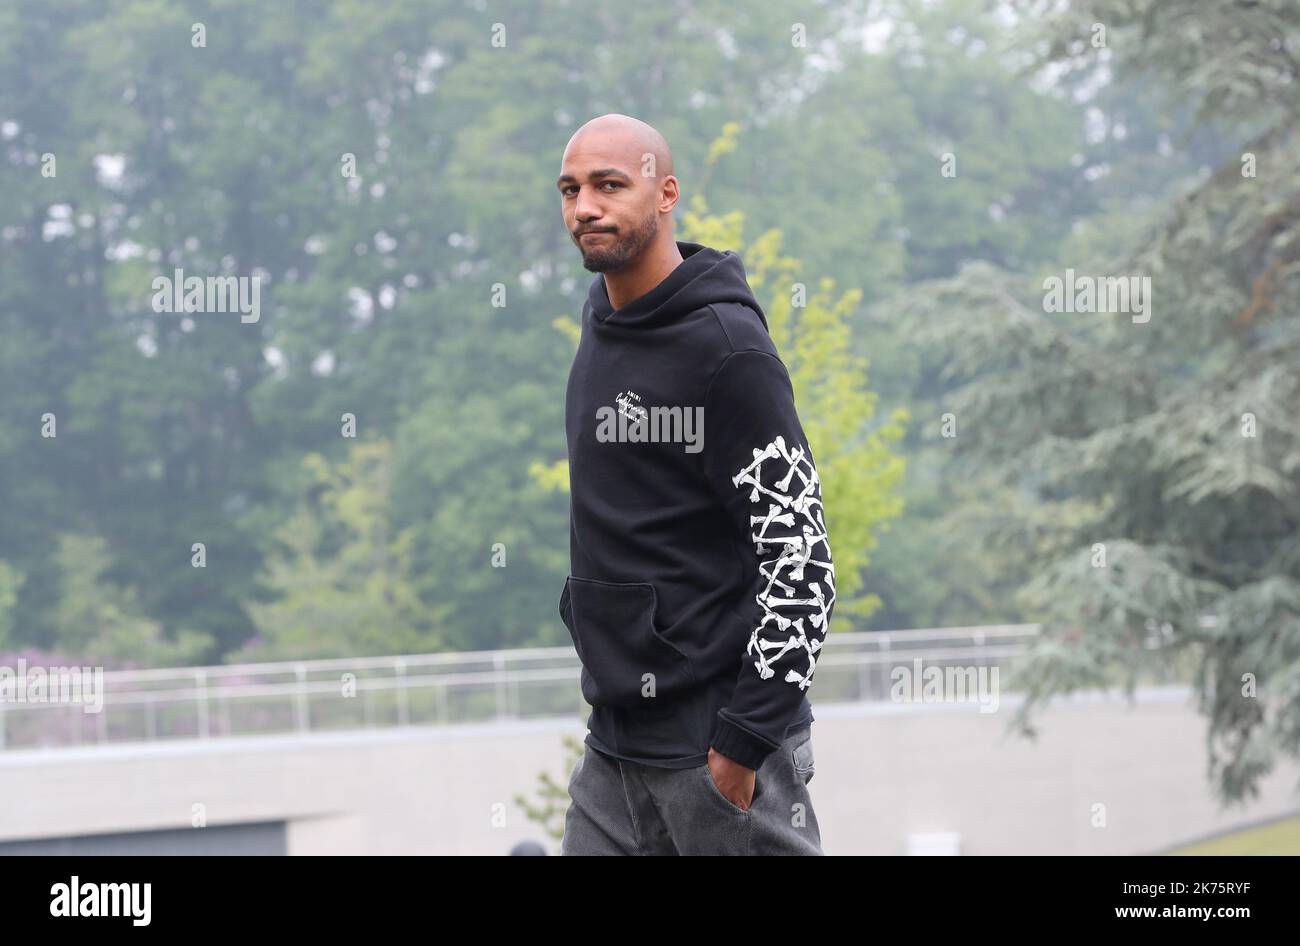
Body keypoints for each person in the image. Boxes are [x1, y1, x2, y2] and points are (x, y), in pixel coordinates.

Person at [555, 114, 833, 855]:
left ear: (666, 191)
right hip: (613, 749)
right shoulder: (600, 324)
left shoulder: (727, 350)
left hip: (716, 751)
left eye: (611, 185)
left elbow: (803, 565)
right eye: (571, 189)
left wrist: (741, 749)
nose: (586, 206)